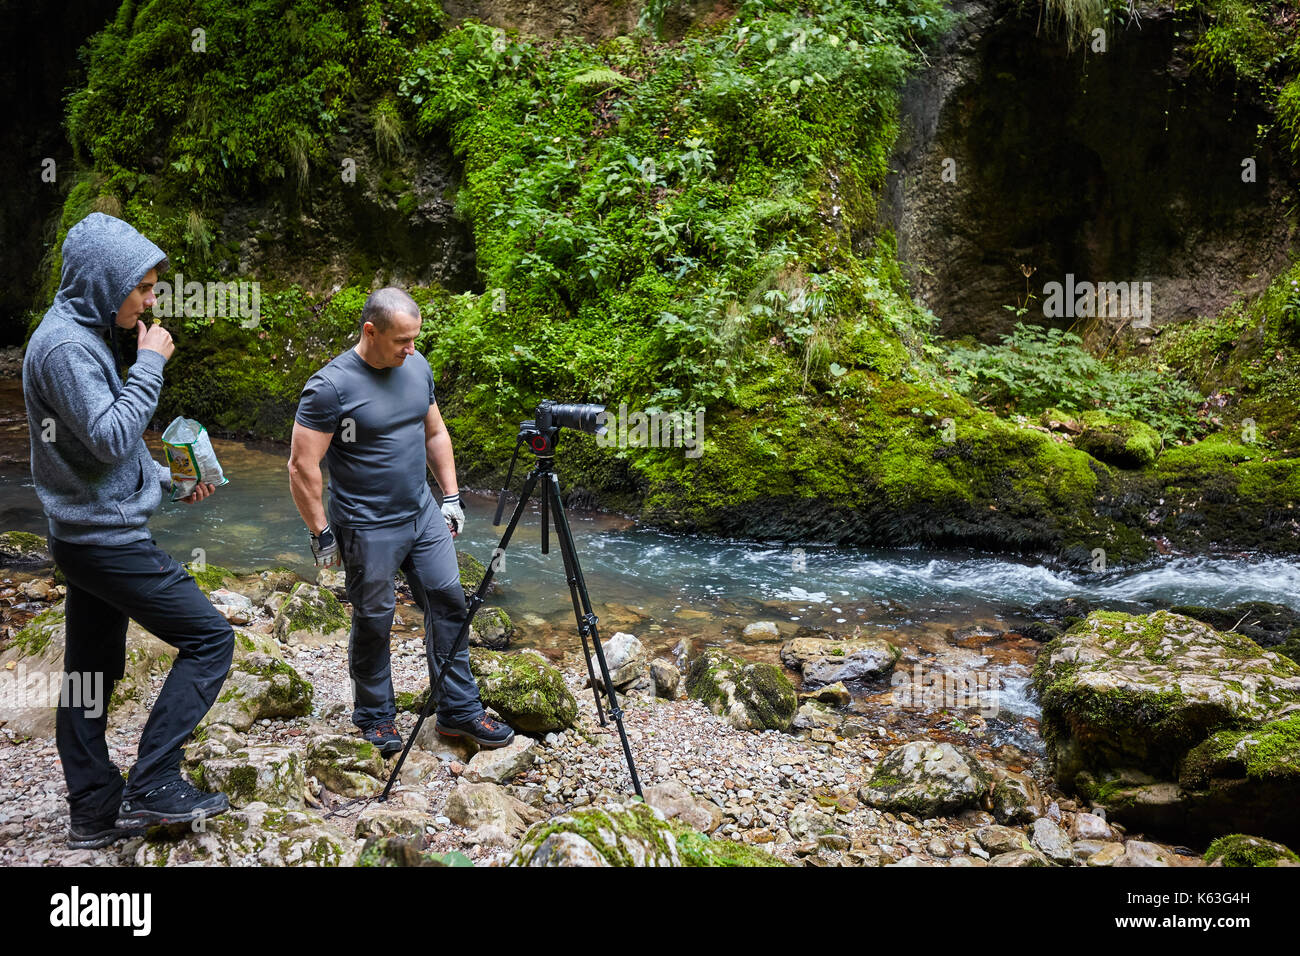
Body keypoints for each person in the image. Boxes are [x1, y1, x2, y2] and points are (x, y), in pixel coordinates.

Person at [22, 212, 235, 849]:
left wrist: (169, 480)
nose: (150, 301)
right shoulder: (64, 348)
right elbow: (113, 437)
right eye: (141, 288)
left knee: (91, 673)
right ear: (103, 282)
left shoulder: (82, 334)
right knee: (210, 639)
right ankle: (155, 780)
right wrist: (149, 364)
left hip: (86, 534)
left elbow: (100, 449)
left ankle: (92, 810)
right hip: (104, 543)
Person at [288, 287, 514, 757]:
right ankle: (375, 716)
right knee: (375, 618)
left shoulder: (416, 366)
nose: (411, 349)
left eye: (415, 339)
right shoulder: (330, 387)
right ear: (371, 331)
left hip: (422, 514)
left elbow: (434, 431)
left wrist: (451, 497)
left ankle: (458, 709)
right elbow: (302, 466)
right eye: (401, 341)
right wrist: (321, 533)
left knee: (449, 601)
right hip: (366, 525)